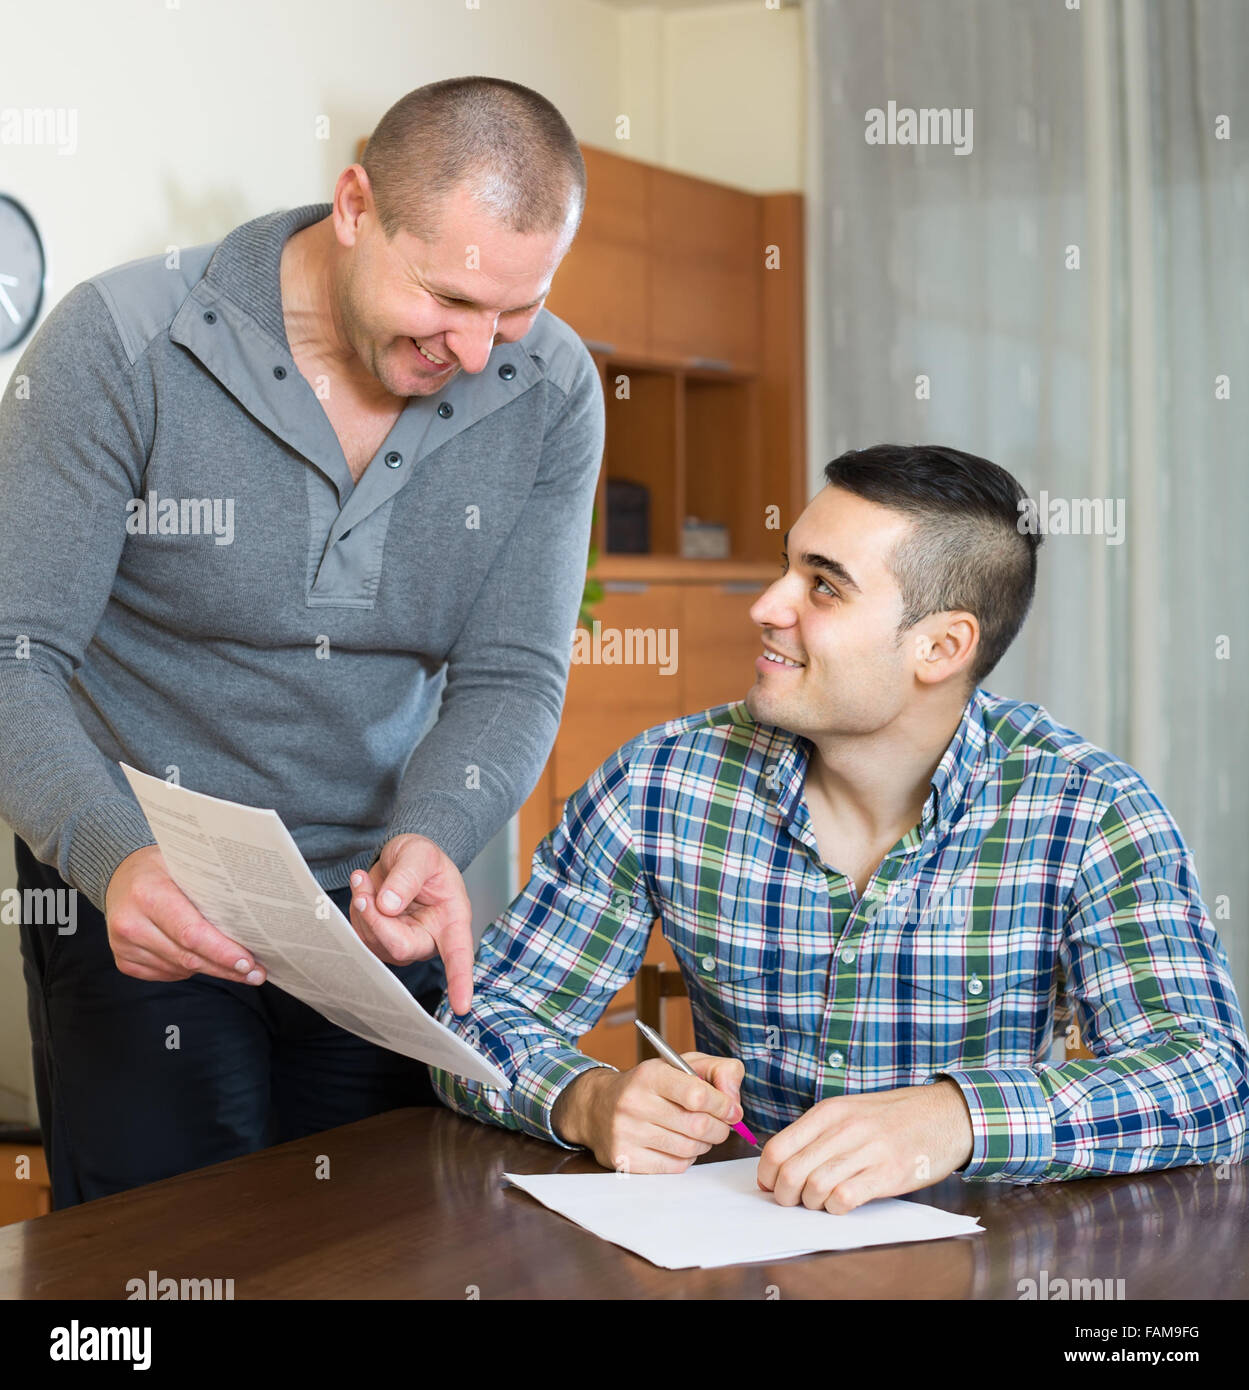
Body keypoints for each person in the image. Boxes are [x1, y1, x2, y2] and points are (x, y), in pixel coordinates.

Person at [0, 76, 604, 1207]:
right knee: (174, 1252)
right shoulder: (124, 342)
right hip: (146, 877)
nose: (478, 354)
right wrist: (111, 854)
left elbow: (511, 672)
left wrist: (437, 831)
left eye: (513, 313)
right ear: (355, 206)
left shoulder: (554, 389)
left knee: (372, 1239)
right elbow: (13, 652)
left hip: (370, 911)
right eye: (446, 299)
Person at [430, 444, 1248, 1212]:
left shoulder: (1089, 810)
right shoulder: (661, 781)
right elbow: (473, 1022)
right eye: (785, 564)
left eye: (823, 585)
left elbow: (1210, 1082)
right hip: (738, 1245)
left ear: (939, 646)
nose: (765, 605)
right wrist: (584, 1096)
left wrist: (953, 1120)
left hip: (985, 1258)